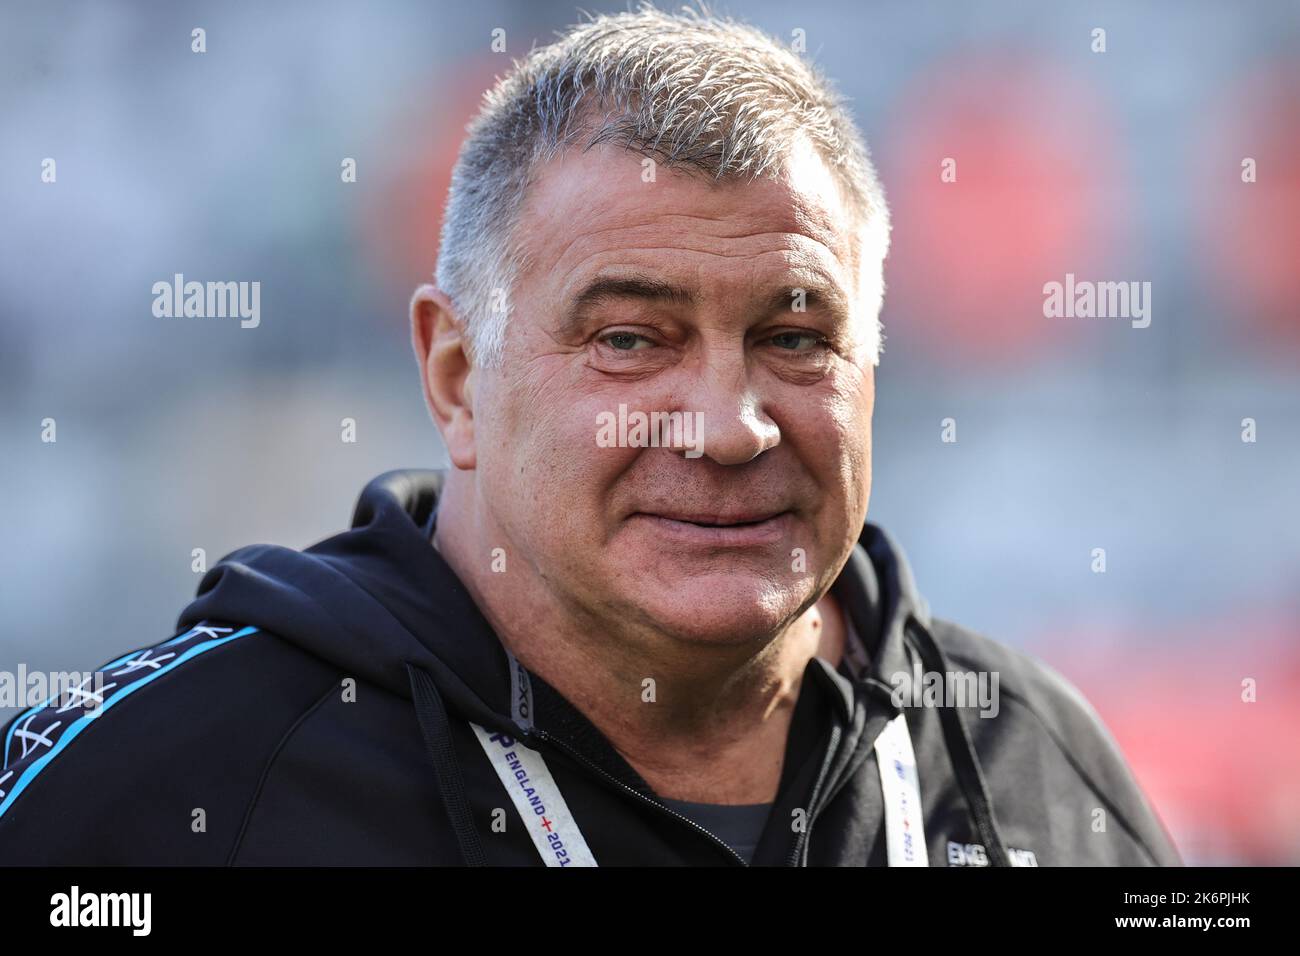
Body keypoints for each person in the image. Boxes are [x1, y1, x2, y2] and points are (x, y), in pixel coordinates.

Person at [0, 6, 1180, 866]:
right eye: (628, 338)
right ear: (457, 377)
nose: (727, 427)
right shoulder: (164, 777)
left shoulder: (1033, 763)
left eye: (794, 333)